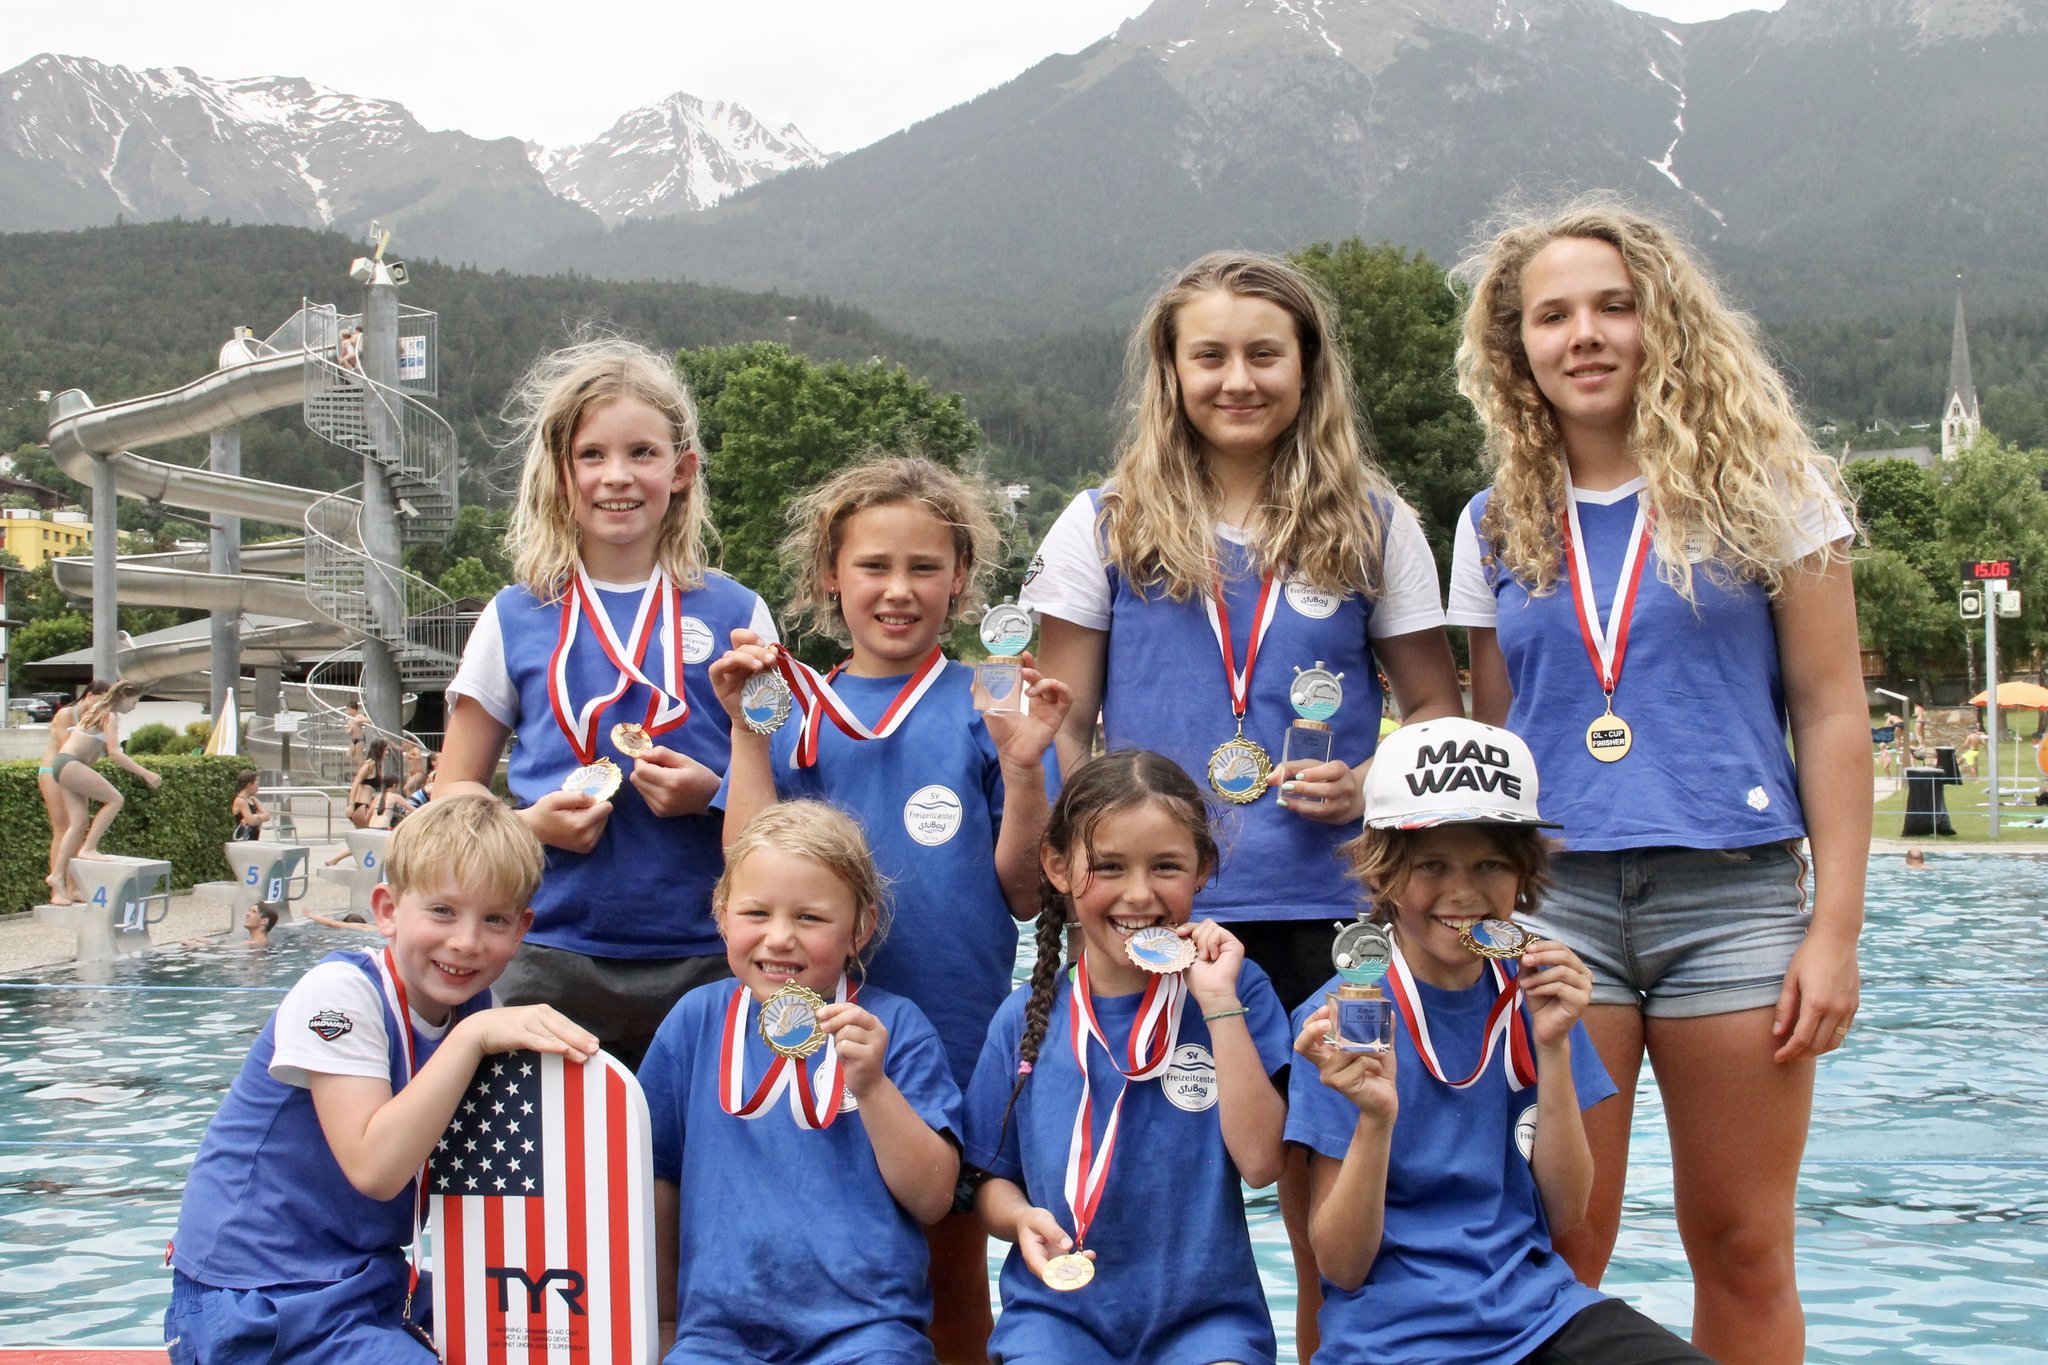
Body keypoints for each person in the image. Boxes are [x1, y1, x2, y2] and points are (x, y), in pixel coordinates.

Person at [1448, 197, 1869, 1363]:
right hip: (1553, 909)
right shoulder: (1491, 523)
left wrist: (1831, 931)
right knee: (1551, 1239)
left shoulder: (1768, 489)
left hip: (1728, 906)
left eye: (1612, 307)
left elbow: (1834, 715)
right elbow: (1493, 733)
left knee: (1738, 1241)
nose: (1582, 334)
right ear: (1515, 347)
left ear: (1661, 324)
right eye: (1551, 315)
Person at [1022, 249, 1462, 1353]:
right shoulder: (1101, 522)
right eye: (1206, 354)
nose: (1236, 378)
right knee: (1139, 1202)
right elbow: (1061, 719)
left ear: (1307, 370)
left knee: (1337, 1217)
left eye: (1264, 353)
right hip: (1152, 920)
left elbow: (1435, 716)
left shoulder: (1373, 521)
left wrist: (1372, 780)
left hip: (1335, 921)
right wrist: (1077, 858)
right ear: (1167, 374)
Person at [710, 453, 1070, 1362]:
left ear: (961, 580)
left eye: (924, 567)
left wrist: (1024, 767)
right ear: (831, 575)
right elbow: (746, 871)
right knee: (815, 1259)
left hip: (946, 1030)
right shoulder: (792, 705)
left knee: (950, 1278)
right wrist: (748, 733)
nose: (898, 590)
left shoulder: (993, 700)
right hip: (805, 1033)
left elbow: (1027, 892)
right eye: (874, 565)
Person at [1289, 717, 1712, 1364]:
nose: (1463, 891)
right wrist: (1375, 1119)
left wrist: (1555, 1046)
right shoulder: (1342, 1017)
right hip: (1395, 1338)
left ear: (1523, 872)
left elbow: (1568, 1210)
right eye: (1432, 863)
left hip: (1540, 1316)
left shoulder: (1537, 993)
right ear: (1384, 872)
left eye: (1490, 862)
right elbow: (1343, 1267)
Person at [163, 795, 597, 1364]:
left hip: (366, 1280)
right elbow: (375, 1169)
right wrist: (473, 1039)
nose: (466, 941)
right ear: (387, 910)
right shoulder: (341, 996)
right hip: (257, 1293)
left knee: (557, 1334)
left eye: (493, 919)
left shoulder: (470, 1007)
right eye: (442, 911)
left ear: (522, 931)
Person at [439, 338, 775, 1067]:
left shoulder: (740, 612)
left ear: (681, 470)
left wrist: (714, 795)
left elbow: (788, 791)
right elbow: (452, 794)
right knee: (549, 1175)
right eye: (592, 455)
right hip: (547, 951)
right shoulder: (512, 615)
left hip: (707, 954)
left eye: (642, 454)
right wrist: (527, 826)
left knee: (681, 1176)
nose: (616, 476)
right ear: (562, 475)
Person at [963, 750, 1289, 1365]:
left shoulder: (1236, 994)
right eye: (1108, 867)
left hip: (1206, 1321)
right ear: (1058, 866)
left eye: (1166, 866)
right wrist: (1019, 1220)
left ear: (1203, 869)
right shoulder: (1023, 1018)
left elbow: (1263, 1163)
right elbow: (990, 1181)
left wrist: (1217, 1004)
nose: (1139, 895)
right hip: (1057, 1320)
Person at [639, 801, 960, 1363]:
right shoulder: (695, 1022)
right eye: (756, 913)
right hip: (718, 1335)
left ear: (860, 927)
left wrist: (875, 1088)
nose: (780, 938)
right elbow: (655, 1181)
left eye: (810, 918)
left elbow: (934, 1198)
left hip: (868, 1331)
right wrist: (666, 1320)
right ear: (721, 913)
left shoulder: (895, 1030)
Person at [47, 680, 162, 906]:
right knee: (115, 799)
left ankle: (57, 876)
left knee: (78, 823)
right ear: (124, 697)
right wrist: (146, 774)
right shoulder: (109, 715)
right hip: (71, 764)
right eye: (134, 701)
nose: (134, 707)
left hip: (63, 764)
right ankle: (89, 848)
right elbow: (115, 753)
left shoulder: (96, 710)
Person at [39, 679, 109, 894]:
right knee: (62, 828)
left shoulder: (98, 720)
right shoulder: (66, 715)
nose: (104, 707)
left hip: (75, 773)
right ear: (89, 696)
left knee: (79, 827)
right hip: (55, 772)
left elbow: (94, 755)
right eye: (101, 701)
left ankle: (73, 886)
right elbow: (65, 750)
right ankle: (57, 889)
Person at [348, 736, 390, 831]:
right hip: (362, 805)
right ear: (379, 751)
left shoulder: (377, 764)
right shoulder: (370, 764)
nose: (387, 753)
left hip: (366, 805)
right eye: (386, 750)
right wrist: (351, 804)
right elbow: (356, 783)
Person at [231, 769, 270, 842]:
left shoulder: (253, 799)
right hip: (243, 839)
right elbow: (251, 822)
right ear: (249, 784)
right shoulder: (240, 800)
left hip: (254, 838)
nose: (258, 787)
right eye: (257, 784)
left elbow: (267, 816)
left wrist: (256, 816)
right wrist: (258, 818)